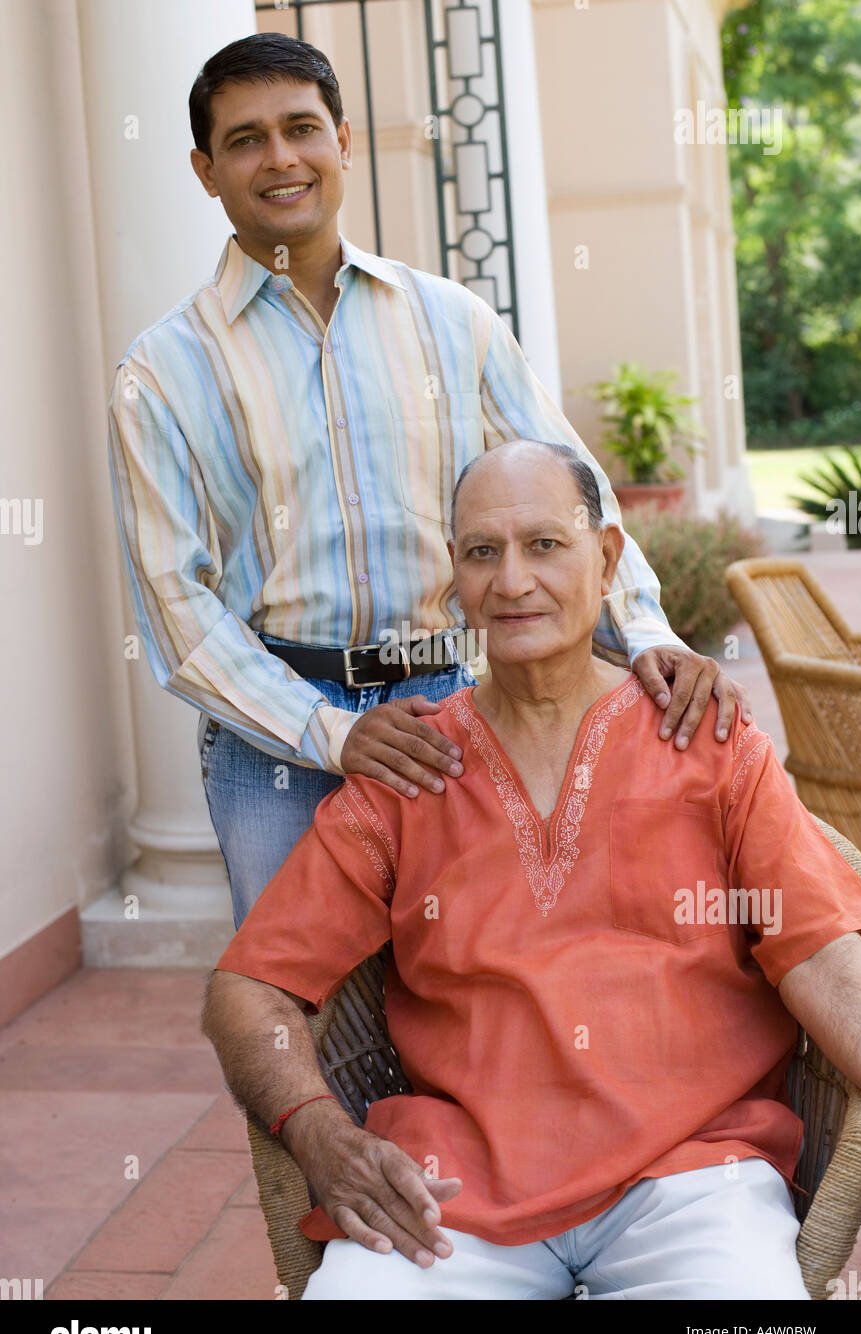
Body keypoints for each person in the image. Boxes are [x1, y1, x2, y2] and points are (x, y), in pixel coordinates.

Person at [107, 32, 750, 931]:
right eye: (246, 139)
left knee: (483, 985)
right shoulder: (162, 372)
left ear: (343, 143)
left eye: (302, 128)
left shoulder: (452, 320)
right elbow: (175, 609)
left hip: (454, 706)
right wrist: (328, 731)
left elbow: (576, 494)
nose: (281, 157)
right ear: (205, 170)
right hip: (277, 748)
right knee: (302, 1009)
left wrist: (644, 629)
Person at [203, 440, 861, 1301]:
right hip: (450, 1196)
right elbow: (246, 990)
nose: (513, 581)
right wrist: (320, 1133)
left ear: (607, 556)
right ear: (455, 578)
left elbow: (821, 953)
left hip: (697, 1182)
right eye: (484, 551)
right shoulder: (411, 772)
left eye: (545, 544)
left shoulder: (707, 743)